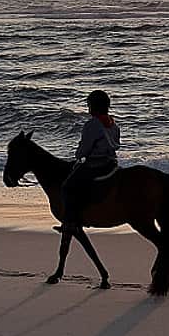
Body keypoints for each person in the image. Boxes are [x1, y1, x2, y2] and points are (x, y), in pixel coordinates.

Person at [60, 90, 121, 233]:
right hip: (112, 163)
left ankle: (70, 222)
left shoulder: (92, 124)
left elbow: (84, 150)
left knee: (67, 187)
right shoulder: (113, 123)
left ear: (94, 106)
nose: (88, 108)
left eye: (89, 105)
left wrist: (78, 154)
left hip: (96, 165)